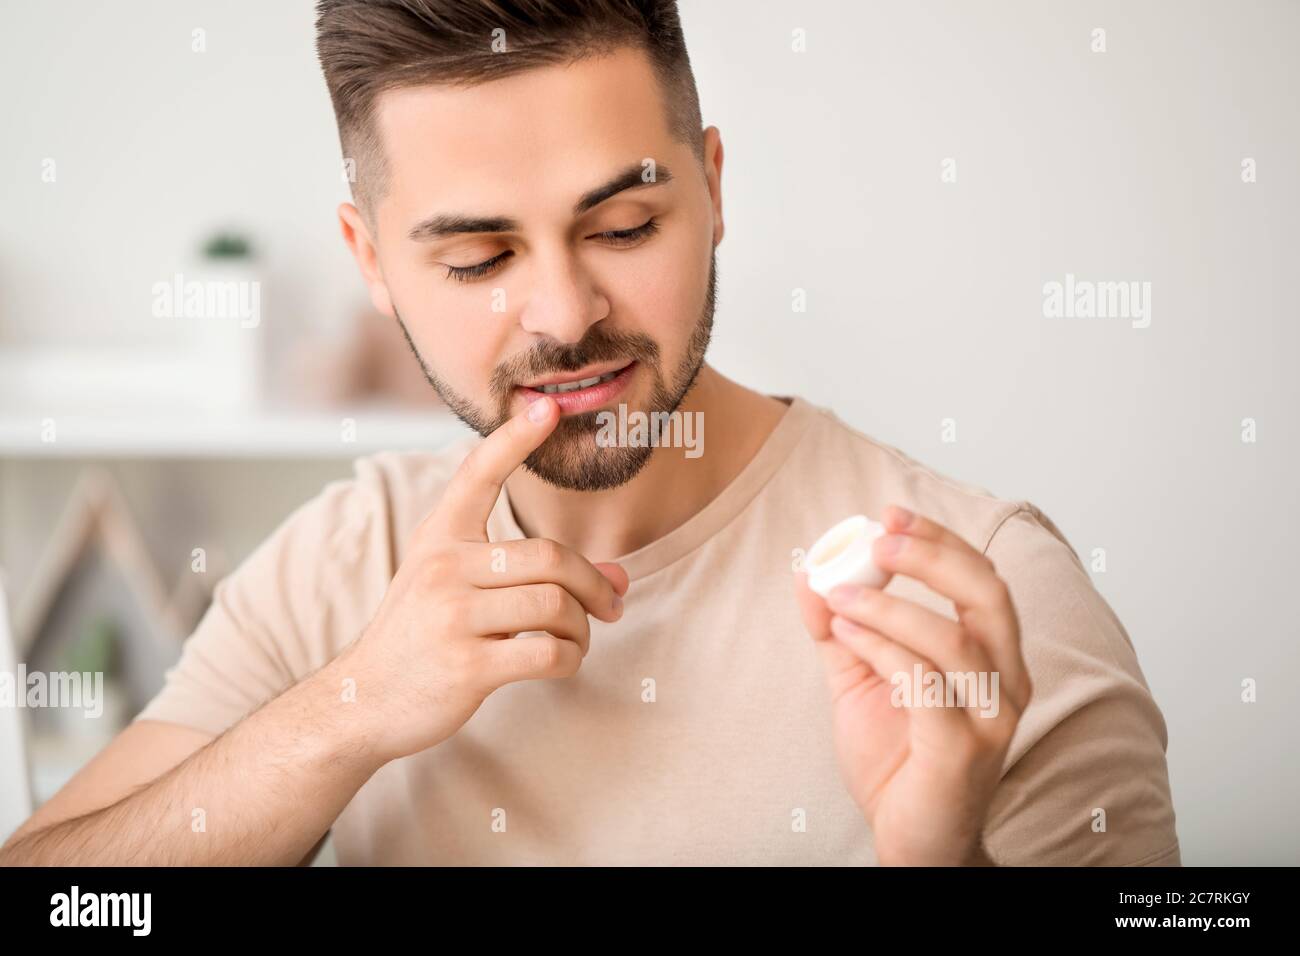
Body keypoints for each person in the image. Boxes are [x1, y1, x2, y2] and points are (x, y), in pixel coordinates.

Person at [0, 0, 1179, 866]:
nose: (564, 314)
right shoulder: (342, 563)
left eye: (621, 225)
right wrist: (353, 706)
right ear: (373, 263)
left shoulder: (985, 597)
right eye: (479, 258)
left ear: (712, 191)